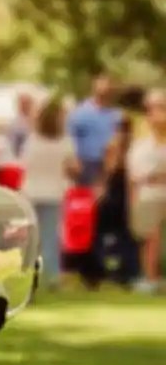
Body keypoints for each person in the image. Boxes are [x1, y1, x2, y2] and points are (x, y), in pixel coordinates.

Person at [20, 100, 79, 290]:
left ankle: (28, 273)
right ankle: (51, 276)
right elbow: (73, 167)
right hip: (53, 192)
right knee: (50, 236)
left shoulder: (33, 140)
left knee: (31, 237)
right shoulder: (65, 141)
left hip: (31, 191)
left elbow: (23, 165)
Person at [127, 89, 166, 294]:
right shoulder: (142, 137)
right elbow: (135, 172)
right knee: (150, 238)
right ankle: (150, 278)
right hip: (148, 194)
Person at [95, 118, 140, 288]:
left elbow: (107, 172)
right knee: (126, 235)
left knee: (107, 235)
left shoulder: (114, 146)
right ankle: (125, 271)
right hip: (124, 195)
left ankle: (105, 270)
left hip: (115, 193)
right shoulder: (132, 146)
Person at [67, 73, 123, 186]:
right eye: (101, 87)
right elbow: (70, 137)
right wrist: (74, 159)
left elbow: (118, 141)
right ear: (94, 89)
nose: (105, 91)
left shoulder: (116, 115)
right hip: (84, 163)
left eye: (108, 89)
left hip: (107, 165)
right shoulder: (80, 112)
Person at [7, 91, 36, 158]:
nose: (25, 106)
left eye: (27, 104)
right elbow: (13, 144)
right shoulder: (14, 123)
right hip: (20, 155)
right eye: (23, 104)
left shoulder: (38, 121)